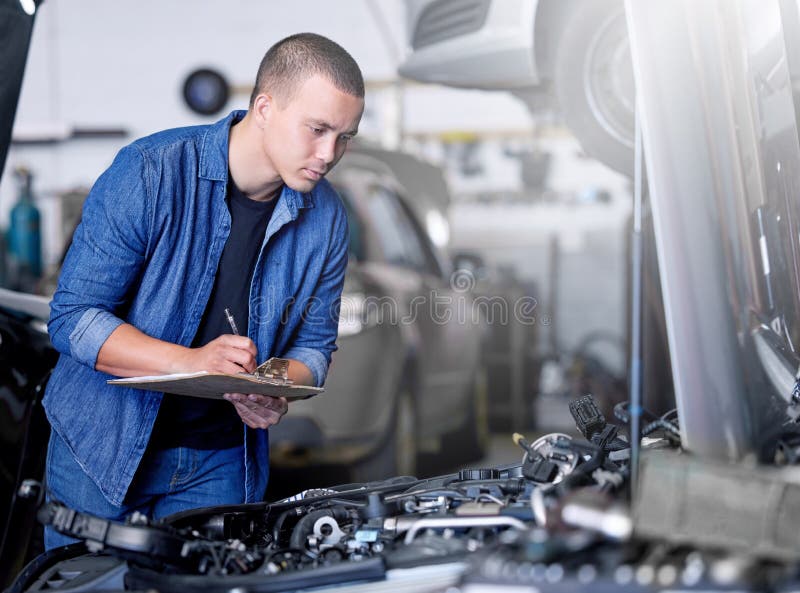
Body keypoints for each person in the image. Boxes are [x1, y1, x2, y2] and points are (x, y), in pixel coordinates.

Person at [43, 32, 365, 549]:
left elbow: (314, 346)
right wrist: (192, 363)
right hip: (99, 450)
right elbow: (74, 318)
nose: (329, 153)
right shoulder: (150, 172)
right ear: (264, 107)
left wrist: (273, 385)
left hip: (219, 463)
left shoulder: (326, 218)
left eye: (345, 136)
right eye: (318, 129)